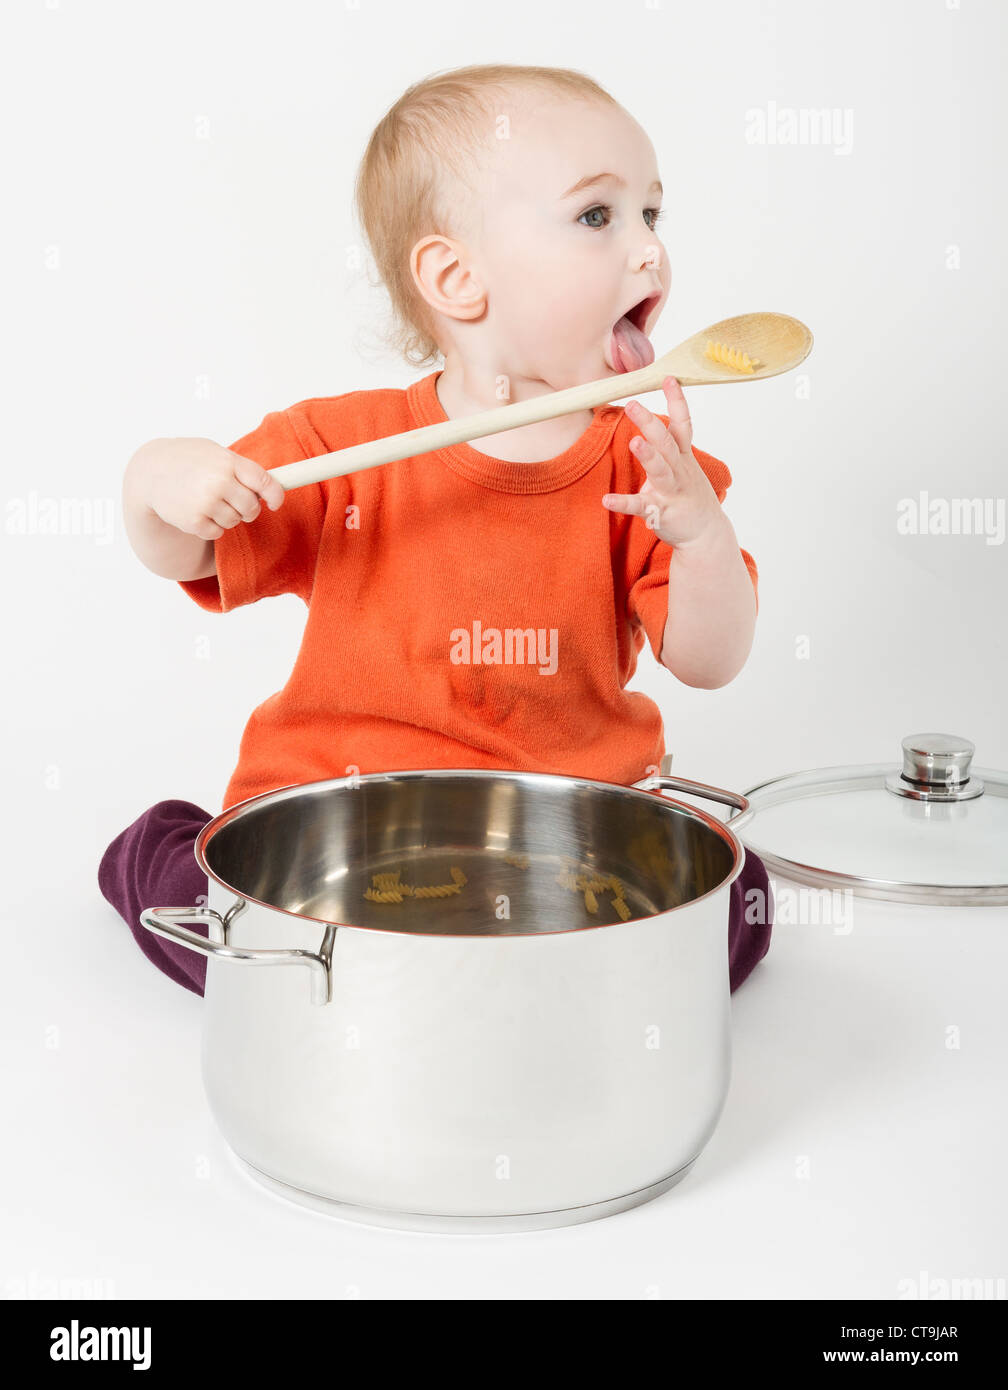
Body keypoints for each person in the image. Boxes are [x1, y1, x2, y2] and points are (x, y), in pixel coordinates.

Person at [99, 63, 773, 997]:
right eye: (597, 217)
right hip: (342, 831)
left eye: (651, 215)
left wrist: (701, 536)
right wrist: (156, 484)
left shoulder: (649, 467)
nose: (649, 252)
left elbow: (710, 658)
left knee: (745, 900)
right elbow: (192, 549)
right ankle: (169, 863)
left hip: (559, 850)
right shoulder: (344, 446)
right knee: (207, 900)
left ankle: (471, 985)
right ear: (457, 278)